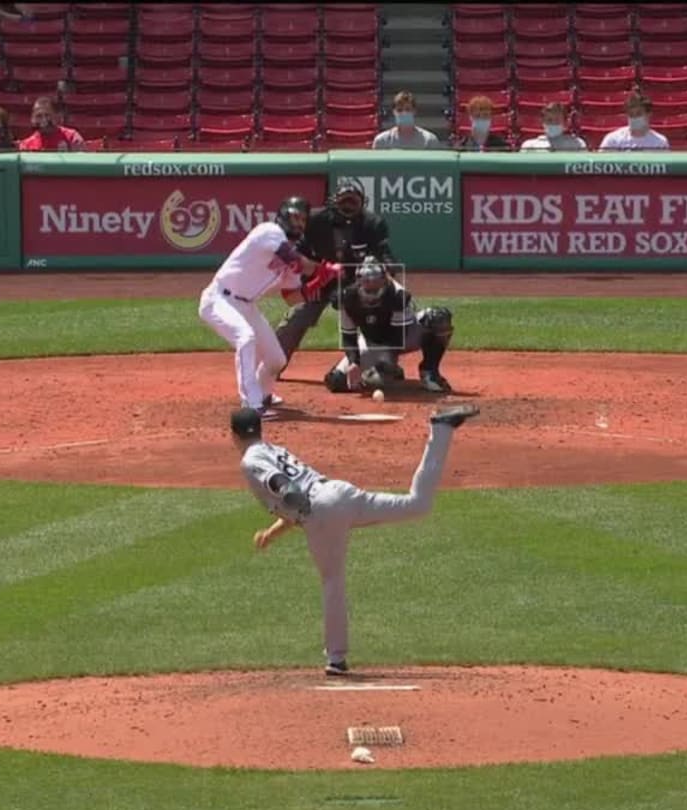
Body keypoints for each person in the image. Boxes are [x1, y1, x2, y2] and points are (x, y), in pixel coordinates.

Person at [239, 402, 480, 676]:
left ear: (234, 436)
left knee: (332, 581)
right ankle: (442, 429)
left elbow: (279, 483)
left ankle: (336, 657)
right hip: (339, 493)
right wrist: (273, 532)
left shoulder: (251, 460)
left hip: (321, 509)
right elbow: (296, 500)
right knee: (417, 505)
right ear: (259, 429)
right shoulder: (274, 449)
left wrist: (291, 495)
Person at [199, 197, 339, 417]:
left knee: (276, 359)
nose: (299, 223)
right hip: (219, 299)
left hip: (246, 305)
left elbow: (291, 298)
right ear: (283, 214)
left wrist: (319, 282)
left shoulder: (291, 254)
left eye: (303, 219)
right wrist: (323, 269)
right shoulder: (269, 232)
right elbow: (296, 261)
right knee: (245, 338)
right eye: (295, 217)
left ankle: (263, 394)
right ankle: (251, 405)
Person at [274, 178, 399, 367]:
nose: (348, 206)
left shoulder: (374, 224)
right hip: (320, 279)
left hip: (358, 284)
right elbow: (298, 252)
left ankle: (383, 364)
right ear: (334, 201)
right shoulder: (316, 221)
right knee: (297, 318)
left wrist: (388, 266)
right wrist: (315, 276)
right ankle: (273, 365)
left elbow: (384, 254)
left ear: (362, 202)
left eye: (353, 201)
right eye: (344, 201)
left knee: (376, 316)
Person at [320, 256, 457, 394]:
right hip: (371, 342)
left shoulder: (397, 296)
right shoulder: (348, 299)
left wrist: (385, 364)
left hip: (405, 336)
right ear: (358, 281)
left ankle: (429, 373)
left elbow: (398, 338)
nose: (371, 286)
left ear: (384, 279)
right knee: (335, 381)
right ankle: (391, 371)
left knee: (439, 318)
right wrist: (354, 362)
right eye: (366, 282)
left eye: (375, 282)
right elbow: (348, 336)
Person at [598, 90, 671, 151]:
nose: (635, 118)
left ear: (648, 114)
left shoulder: (660, 143)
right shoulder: (613, 140)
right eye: (631, 114)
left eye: (638, 114)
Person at [371, 91, 441, 150]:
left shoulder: (429, 141)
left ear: (414, 111)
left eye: (408, 109)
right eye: (399, 110)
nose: (404, 113)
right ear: (394, 112)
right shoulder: (382, 141)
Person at [17, 97, 85, 151]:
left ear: (56, 116)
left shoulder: (72, 137)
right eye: (39, 116)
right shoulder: (26, 145)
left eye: (47, 115)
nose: (44, 120)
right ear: (32, 119)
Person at [519, 102, 586, 151]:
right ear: (543, 122)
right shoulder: (529, 146)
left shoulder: (578, 144)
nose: (553, 123)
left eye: (557, 120)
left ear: (565, 122)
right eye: (549, 120)